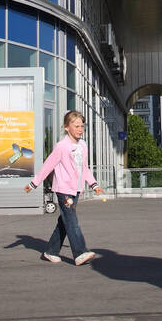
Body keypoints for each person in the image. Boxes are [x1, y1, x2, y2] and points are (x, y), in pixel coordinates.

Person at [24, 110, 104, 265]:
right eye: (76, 126)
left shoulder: (83, 145)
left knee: (65, 221)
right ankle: (80, 253)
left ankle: (50, 251)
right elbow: (48, 165)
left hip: (76, 190)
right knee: (72, 220)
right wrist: (34, 183)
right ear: (67, 127)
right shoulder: (61, 146)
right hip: (63, 190)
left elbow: (84, 168)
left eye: (82, 126)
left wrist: (94, 185)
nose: (80, 129)